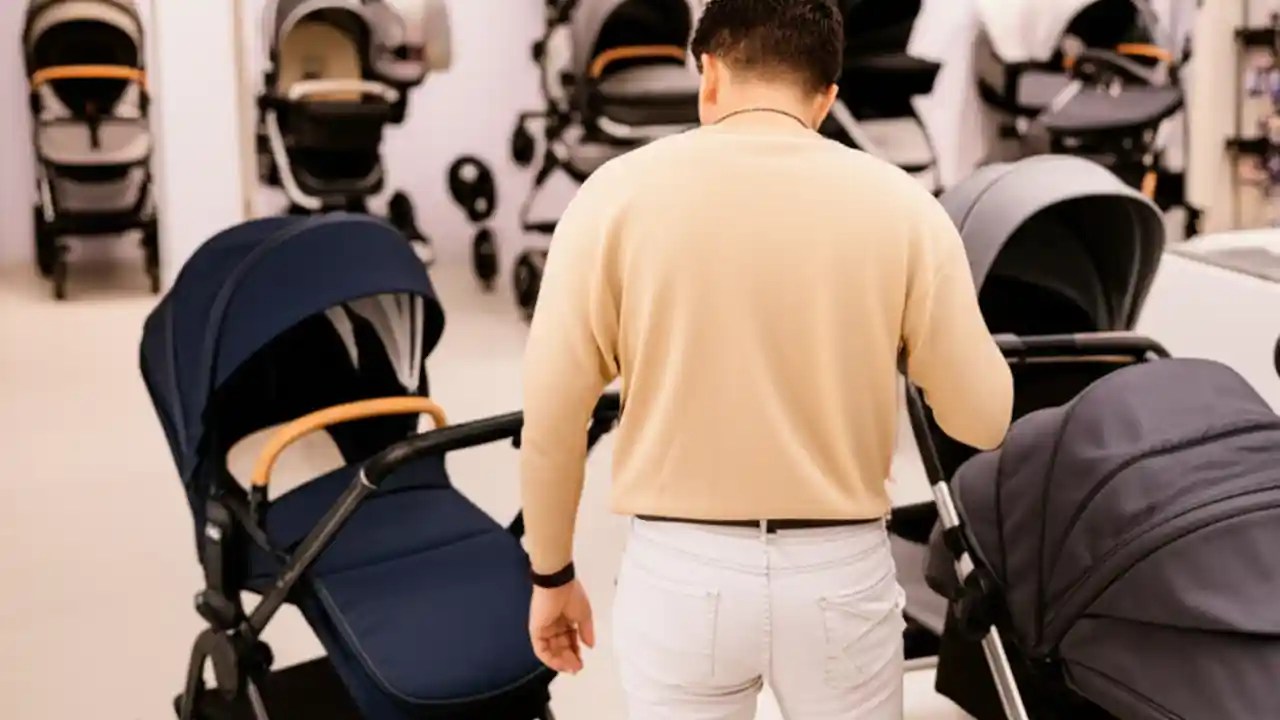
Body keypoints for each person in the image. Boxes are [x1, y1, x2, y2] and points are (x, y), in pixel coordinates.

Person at [518, 0, 1014, 717]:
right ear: (826, 97)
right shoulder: (902, 207)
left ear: (709, 71)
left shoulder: (612, 198)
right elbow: (985, 417)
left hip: (682, 578)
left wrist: (552, 573)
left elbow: (552, 420)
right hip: (840, 578)